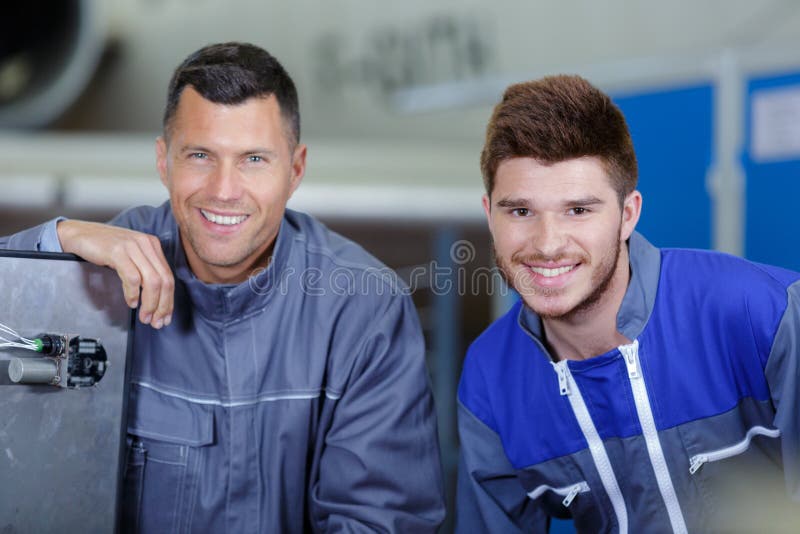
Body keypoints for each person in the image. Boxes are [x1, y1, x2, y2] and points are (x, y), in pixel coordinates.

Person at [1, 42, 445, 532]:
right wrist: (51, 249)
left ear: (295, 170)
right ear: (163, 160)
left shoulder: (364, 309)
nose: (224, 190)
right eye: (199, 155)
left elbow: (382, 520)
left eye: (253, 159)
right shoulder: (93, 277)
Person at [456, 75, 800, 533]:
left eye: (578, 210)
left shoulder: (764, 313)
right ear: (489, 214)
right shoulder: (490, 376)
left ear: (628, 214)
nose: (547, 244)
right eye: (520, 211)